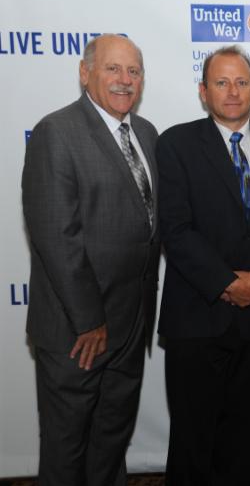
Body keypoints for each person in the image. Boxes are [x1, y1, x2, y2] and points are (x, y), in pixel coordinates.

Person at [21, 34, 159, 486]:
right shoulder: (56, 132)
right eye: (112, 69)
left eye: (133, 71)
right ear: (85, 73)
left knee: (110, 441)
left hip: (130, 323)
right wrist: (89, 321)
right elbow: (56, 236)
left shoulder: (145, 133)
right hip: (77, 330)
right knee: (67, 448)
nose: (124, 80)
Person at [156, 45, 250, 485]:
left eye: (241, 82)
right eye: (221, 82)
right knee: (192, 443)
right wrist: (225, 282)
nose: (232, 91)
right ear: (203, 91)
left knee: (244, 443)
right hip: (196, 317)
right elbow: (175, 229)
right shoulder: (175, 143)